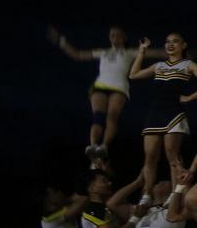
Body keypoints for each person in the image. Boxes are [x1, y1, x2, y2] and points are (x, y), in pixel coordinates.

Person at [48, 25, 161, 161]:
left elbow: (155, 53)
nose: (115, 38)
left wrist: (178, 54)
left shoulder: (130, 52)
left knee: (112, 116)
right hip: (100, 85)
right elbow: (77, 55)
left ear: (124, 37)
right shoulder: (103, 52)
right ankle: (93, 145)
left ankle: (104, 146)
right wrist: (61, 41)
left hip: (118, 87)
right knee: (98, 117)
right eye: (112, 35)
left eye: (118, 35)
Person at [129, 33, 197, 198]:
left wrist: (190, 97)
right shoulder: (159, 66)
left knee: (172, 155)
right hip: (155, 112)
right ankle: (146, 194)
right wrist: (142, 51)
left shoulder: (188, 64)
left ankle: (175, 194)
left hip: (174, 111)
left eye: (175, 41)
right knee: (150, 156)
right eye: (167, 41)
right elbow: (133, 75)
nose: (170, 44)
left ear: (183, 45)